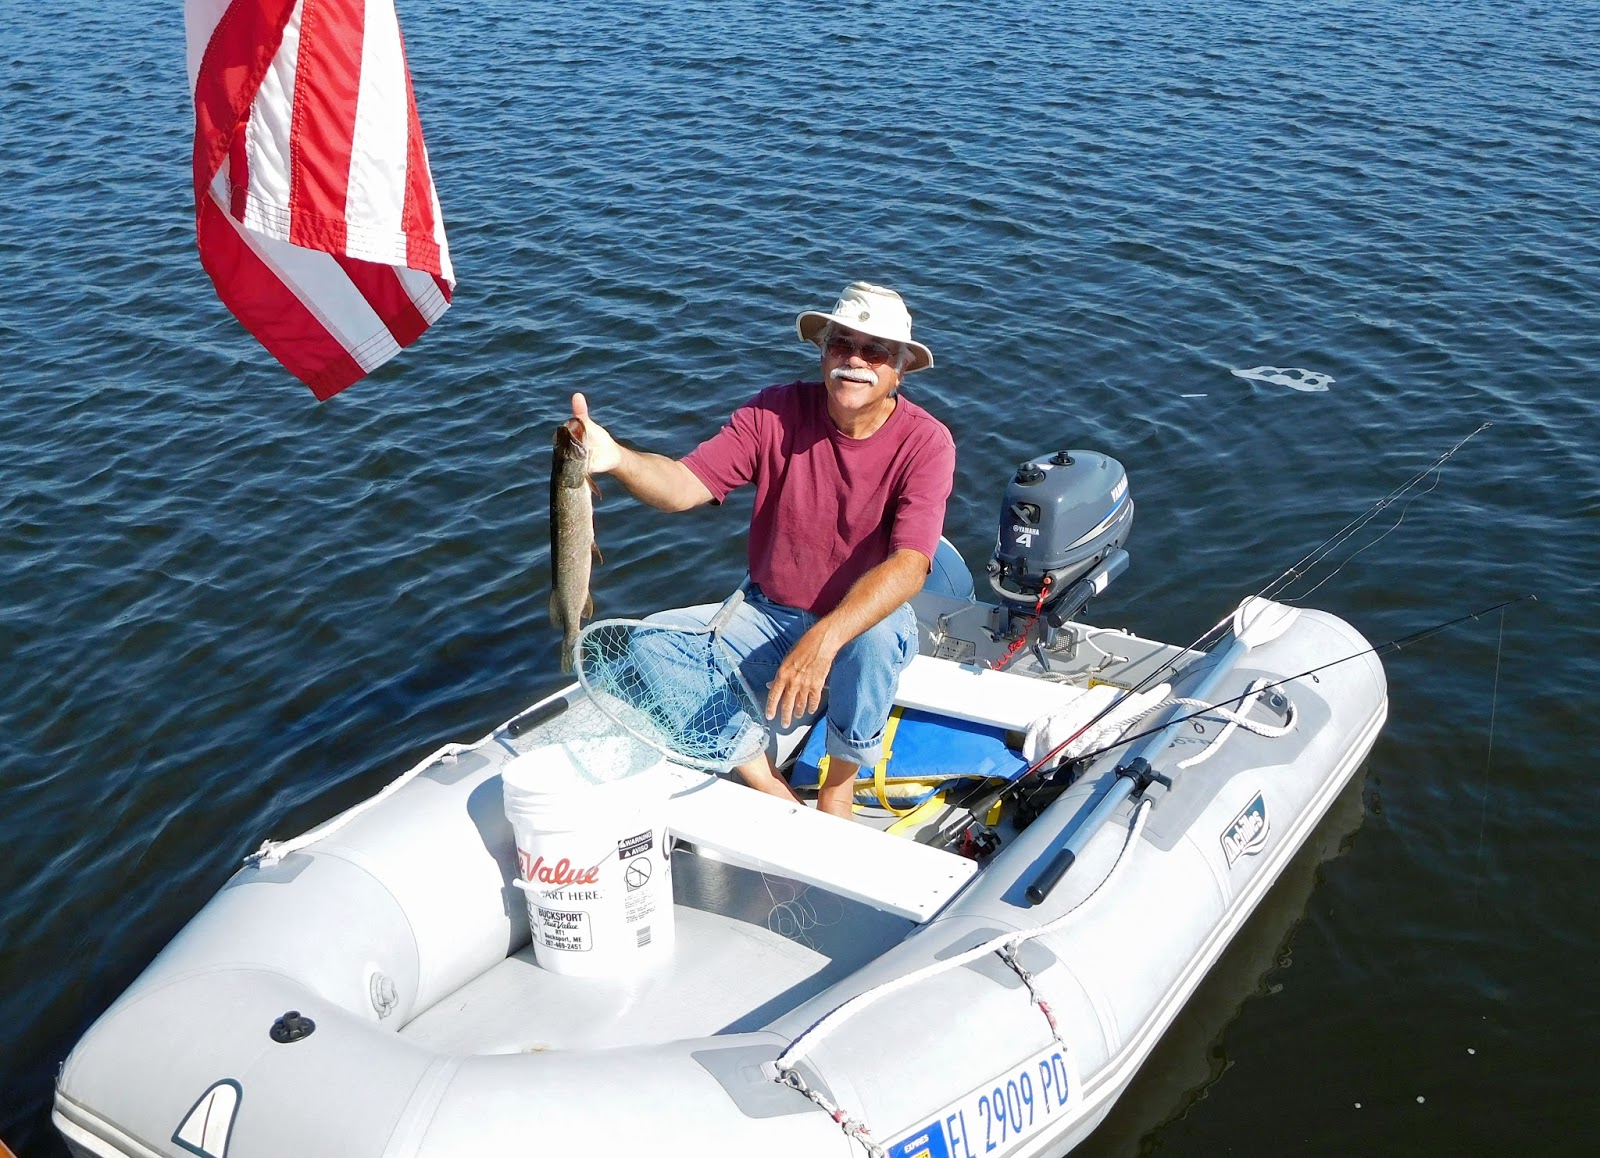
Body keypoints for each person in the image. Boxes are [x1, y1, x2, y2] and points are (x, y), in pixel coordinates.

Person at [571, 281, 955, 820]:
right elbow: (683, 485)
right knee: (647, 647)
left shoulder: (927, 441)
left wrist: (823, 639)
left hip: (860, 622)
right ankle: (764, 778)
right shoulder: (774, 411)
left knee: (871, 643)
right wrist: (617, 458)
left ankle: (837, 786)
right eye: (841, 344)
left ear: (899, 371)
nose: (854, 361)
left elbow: (911, 565)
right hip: (766, 613)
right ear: (822, 351)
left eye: (874, 351)